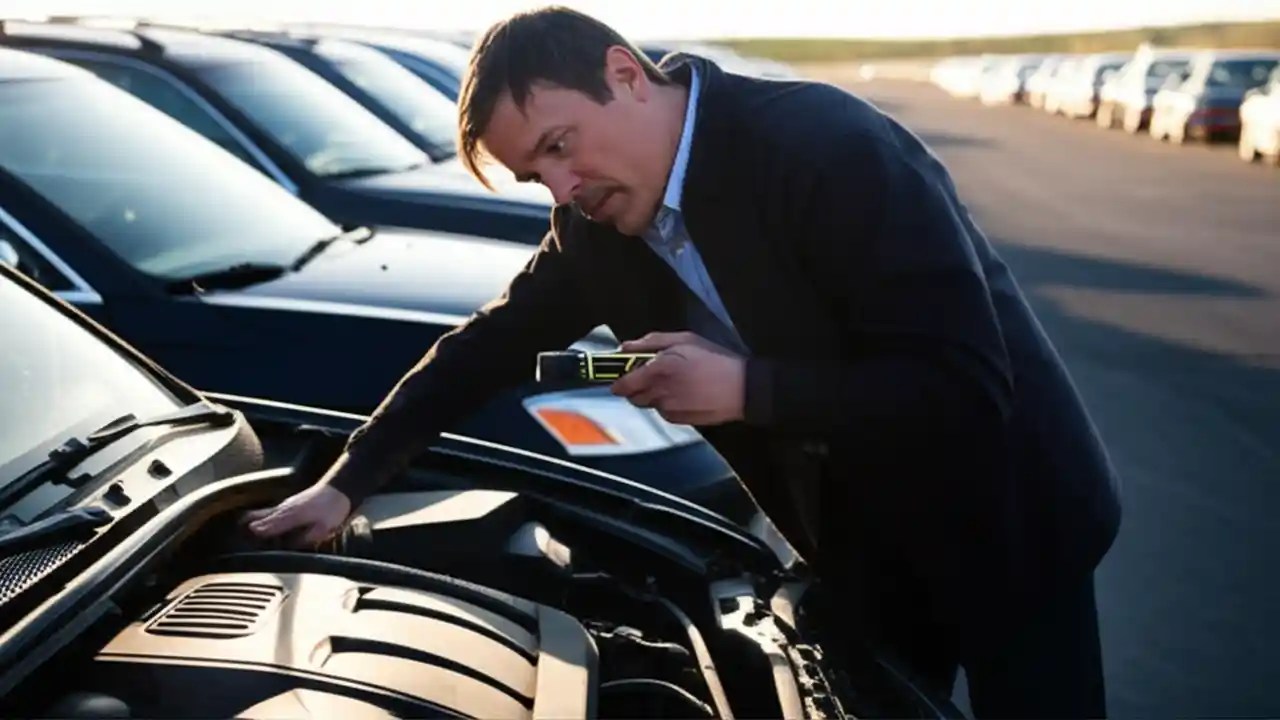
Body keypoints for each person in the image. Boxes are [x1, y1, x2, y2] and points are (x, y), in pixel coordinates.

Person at [244, 6, 1121, 717]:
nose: (562, 189)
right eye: (535, 175)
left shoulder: (827, 148)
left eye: (559, 145)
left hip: (1007, 526)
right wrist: (348, 480)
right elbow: (490, 346)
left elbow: (962, 388)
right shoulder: (595, 226)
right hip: (860, 546)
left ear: (626, 74)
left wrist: (742, 387)